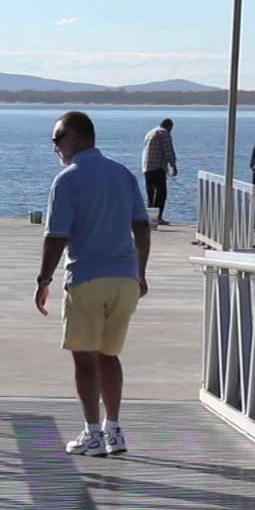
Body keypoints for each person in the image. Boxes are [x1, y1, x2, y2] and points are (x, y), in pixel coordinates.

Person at [35, 111, 151, 457]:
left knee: (85, 360)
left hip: (86, 278)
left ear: (75, 137)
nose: (55, 147)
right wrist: (140, 272)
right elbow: (142, 226)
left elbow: (56, 236)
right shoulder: (122, 174)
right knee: (109, 356)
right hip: (124, 279)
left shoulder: (68, 179)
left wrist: (44, 279)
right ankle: (115, 431)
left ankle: (93, 433)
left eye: (57, 139)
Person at [140, 118, 177, 226]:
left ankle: (150, 218)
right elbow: (168, 150)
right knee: (161, 193)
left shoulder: (151, 132)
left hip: (146, 167)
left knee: (151, 194)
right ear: (169, 127)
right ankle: (158, 217)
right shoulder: (163, 133)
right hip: (157, 168)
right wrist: (173, 165)